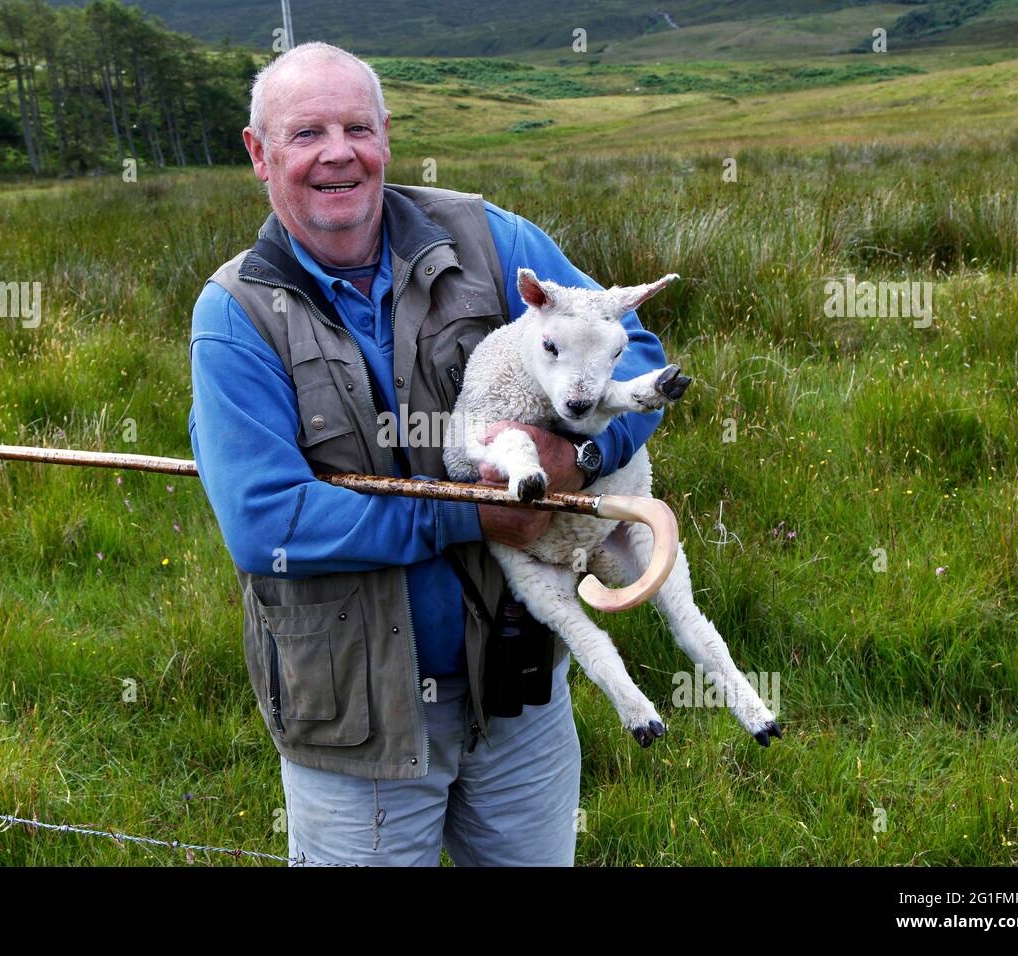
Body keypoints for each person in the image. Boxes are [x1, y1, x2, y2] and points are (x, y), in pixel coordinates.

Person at [188, 41, 669, 866]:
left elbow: (637, 350)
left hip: (520, 694)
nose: (339, 152)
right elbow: (267, 522)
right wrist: (469, 517)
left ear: (385, 137)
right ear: (258, 154)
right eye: (306, 134)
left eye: (358, 127)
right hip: (356, 724)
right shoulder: (233, 318)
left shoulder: (489, 238)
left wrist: (578, 463)